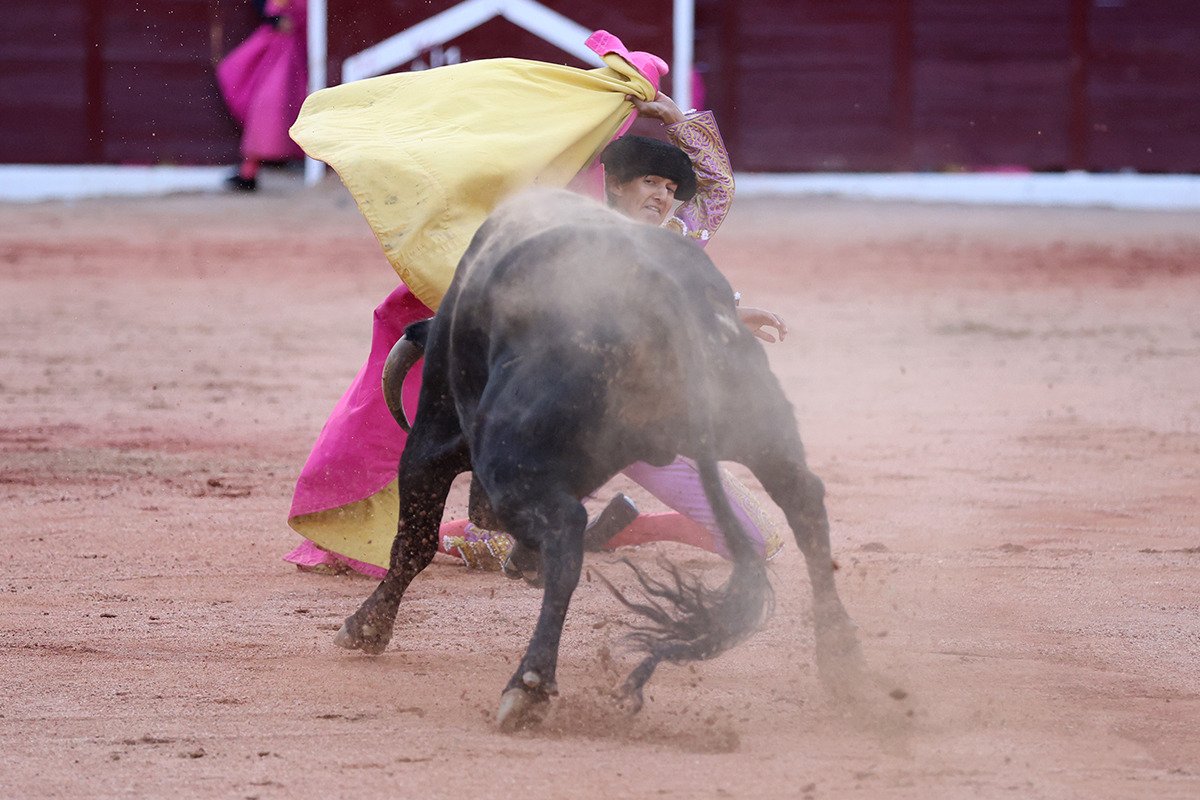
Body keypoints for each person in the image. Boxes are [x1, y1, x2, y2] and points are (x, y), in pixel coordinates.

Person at [285, 86, 790, 576]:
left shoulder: (676, 238)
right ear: (616, 185)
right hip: (565, 431)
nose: (663, 197)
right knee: (496, 543)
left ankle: (629, 529)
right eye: (650, 183)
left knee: (756, 539)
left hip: (649, 427)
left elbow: (717, 190)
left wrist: (678, 121)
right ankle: (412, 532)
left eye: (670, 189)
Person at [216, 0, 308, 191]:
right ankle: (252, 168)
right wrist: (273, 18)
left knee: (274, 104)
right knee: (269, 105)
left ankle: (251, 169)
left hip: (296, 42)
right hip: (283, 40)